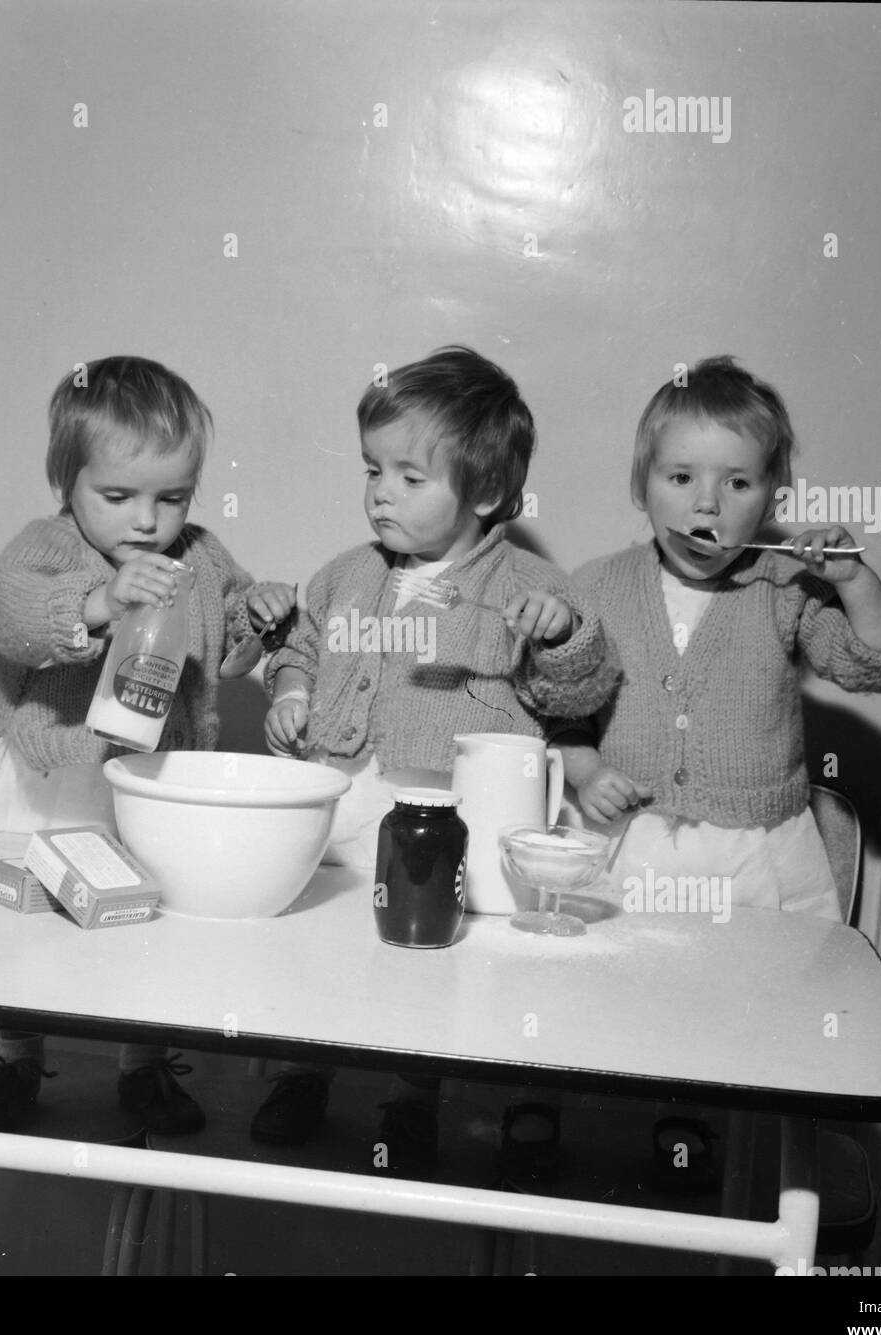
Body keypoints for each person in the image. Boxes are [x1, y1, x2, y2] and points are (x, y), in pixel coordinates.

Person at [557, 355, 881, 1188]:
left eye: (738, 483)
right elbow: (558, 705)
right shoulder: (601, 587)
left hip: (757, 855)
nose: (707, 504)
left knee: (751, 1024)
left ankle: (717, 1157)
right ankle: (621, 1153)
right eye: (681, 476)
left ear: (773, 497)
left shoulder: (783, 584)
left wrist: (853, 578)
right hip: (633, 845)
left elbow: (879, 660)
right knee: (625, 1015)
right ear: (641, 483)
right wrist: (581, 768)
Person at [255, 345, 619, 1178]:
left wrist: (561, 635)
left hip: (444, 809)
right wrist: (290, 693)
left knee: (422, 963)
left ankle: (412, 1098)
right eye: (372, 469)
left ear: (485, 493)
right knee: (319, 949)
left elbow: (582, 691)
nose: (381, 491)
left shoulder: (529, 584)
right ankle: (301, 1073)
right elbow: (301, 648)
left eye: (410, 477)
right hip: (345, 796)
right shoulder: (348, 574)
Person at [0, 355, 295, 1135]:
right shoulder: (42, 549)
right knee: (25, 928)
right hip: (50, 779)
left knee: (146, 927)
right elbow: (11, 620)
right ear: (69, 480)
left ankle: (143, 1066)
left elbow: (224, 654)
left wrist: (258, 613)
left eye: (172, 496)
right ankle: (16, 1055)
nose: (148, 521)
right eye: (118, 497)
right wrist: (98, 601)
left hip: (147, 787)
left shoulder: (202, 555)